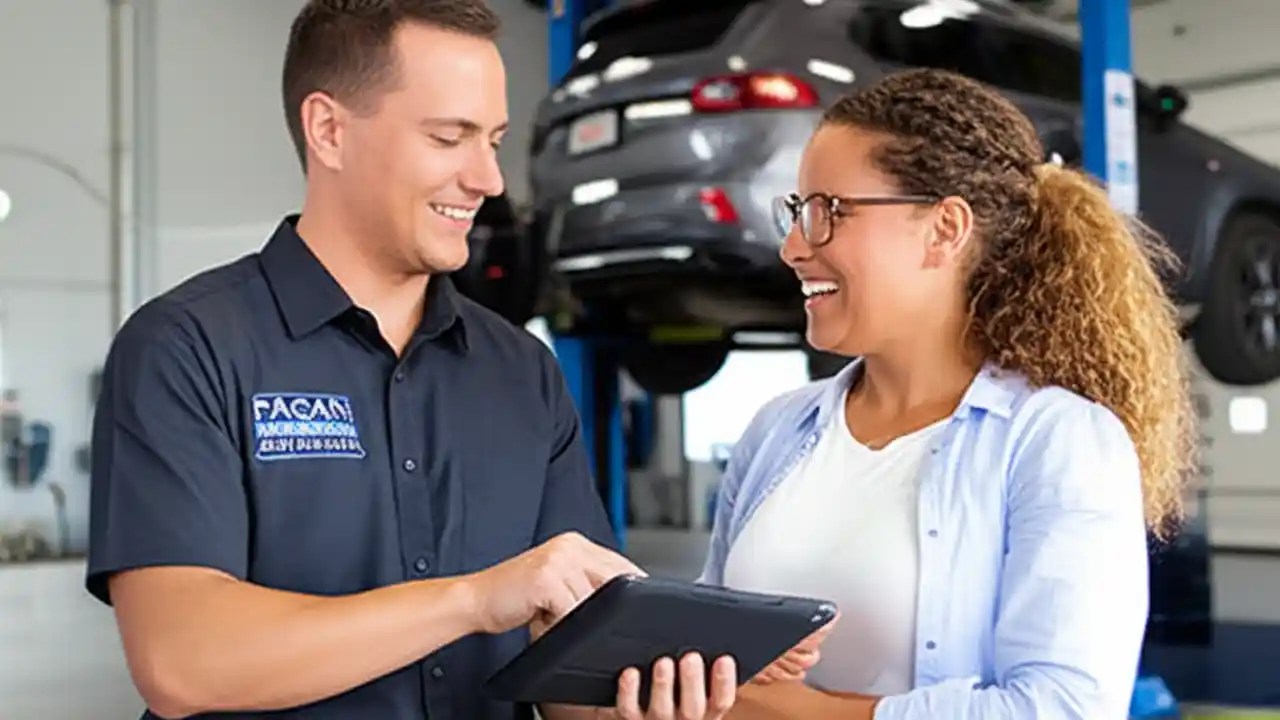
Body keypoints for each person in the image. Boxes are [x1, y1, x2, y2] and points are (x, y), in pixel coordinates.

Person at [85, 2, 741, 719]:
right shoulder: (188, 348)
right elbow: (183, 660)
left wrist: (653, 691)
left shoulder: (522, 373)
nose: (489, 179)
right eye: (449, 138)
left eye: (493, 141)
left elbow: (569, 674)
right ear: (329, 131)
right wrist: (473, 600)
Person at [699, 68, 1198, 719]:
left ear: (944, 229)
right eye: (797, 212)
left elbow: (1063, 707)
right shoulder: (777, 430)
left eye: (828, 212)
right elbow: (707, 659)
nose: (794, 247)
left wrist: (801, 711)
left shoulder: (1057, 440)